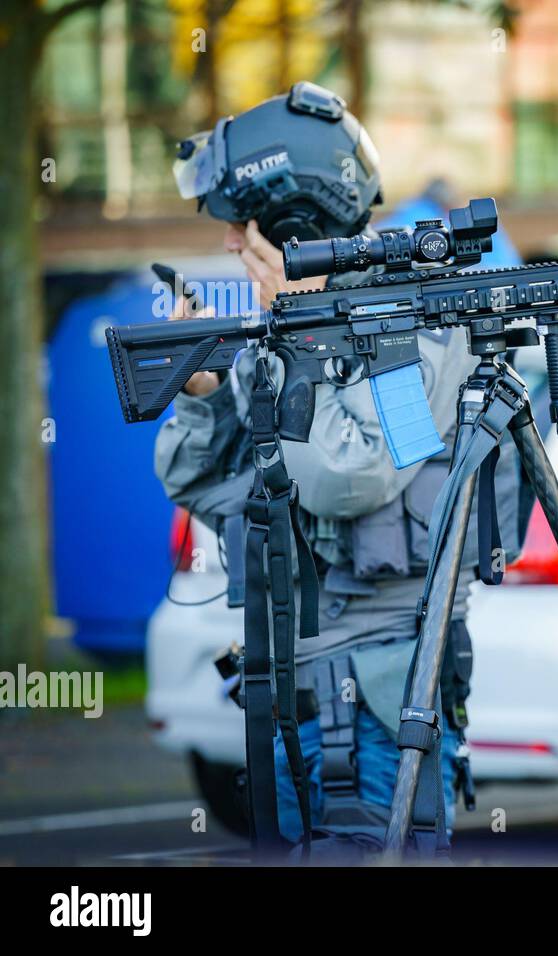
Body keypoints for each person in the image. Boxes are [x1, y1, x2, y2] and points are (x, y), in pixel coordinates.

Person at [156, 82, 519, 849]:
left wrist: (302, 342)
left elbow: (353, 477)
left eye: (240, 225)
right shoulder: (280, 328)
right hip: (289, 702)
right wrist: (202, 395)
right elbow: (201, 485)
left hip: (387, 705)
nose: (229, 245)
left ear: (293, 224)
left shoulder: (416, 328)